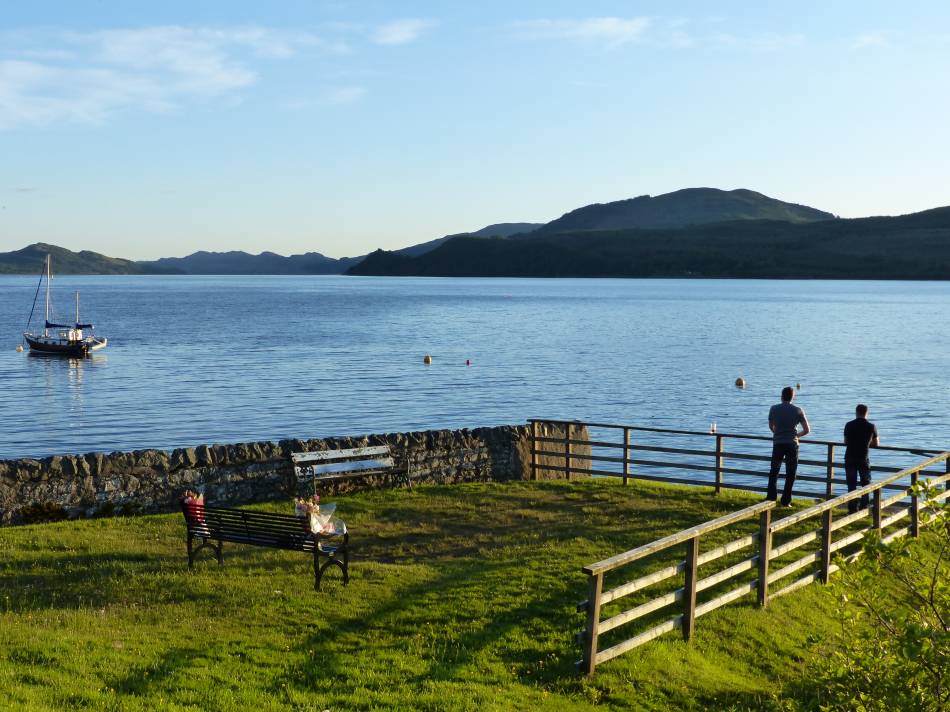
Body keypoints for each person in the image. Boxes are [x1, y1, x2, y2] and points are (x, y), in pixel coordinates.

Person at [767, 386, 810, 506]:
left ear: (781, 396)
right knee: (790, 473)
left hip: (778, 443)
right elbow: (807, 430)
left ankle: (771, 499)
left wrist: (778, 433)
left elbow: (771, 426)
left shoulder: (774, 409)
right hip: (792, 444)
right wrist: (797, 436)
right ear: (793, 397)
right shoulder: (798, 410)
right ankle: (786, 501)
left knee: (774, 471)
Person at [843, 404, 880, 514]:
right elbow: (876, 444)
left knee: (851, 484)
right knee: (866, 484)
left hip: (849, 457)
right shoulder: (871, 426)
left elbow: (845, 442)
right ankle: (864, 507)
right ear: (866, 413)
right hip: (863, 458)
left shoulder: (848, 425)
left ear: (856, 412)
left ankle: (852, 508)